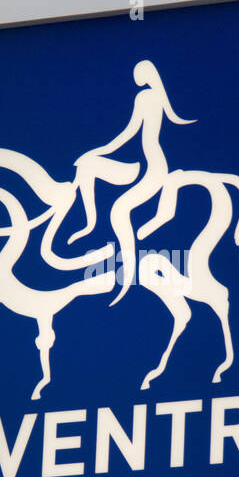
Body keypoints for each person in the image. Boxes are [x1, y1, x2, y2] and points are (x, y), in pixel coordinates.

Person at [66, 59, 194, 303]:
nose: (135, 77)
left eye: (137, 72)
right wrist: (96, 154)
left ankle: (127, 269)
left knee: (118, 210)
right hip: (145, 162)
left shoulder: (146, 97)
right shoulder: (152, 97)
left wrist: (99, 151)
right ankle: (90, 224)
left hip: (149, 166)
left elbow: (128, 133)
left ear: (144, 74)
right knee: (87, 167)